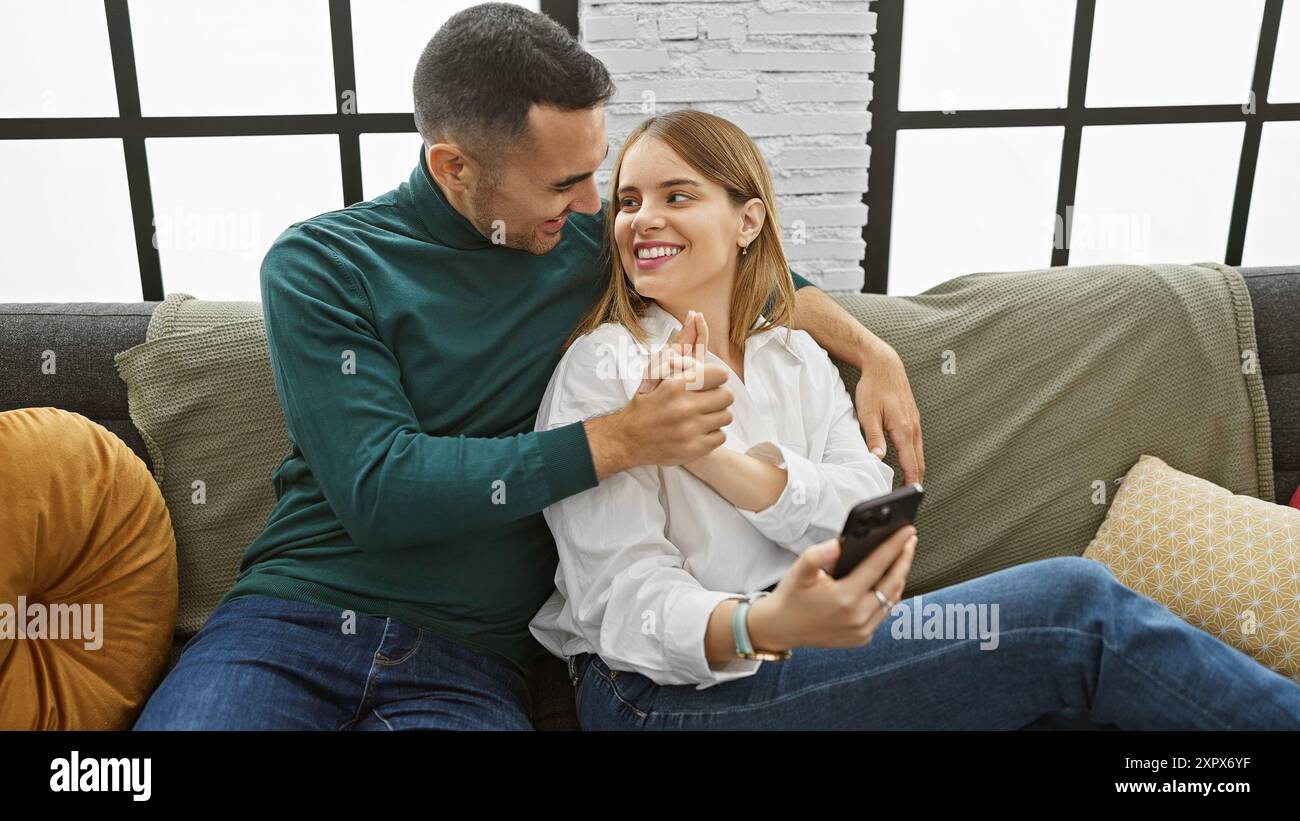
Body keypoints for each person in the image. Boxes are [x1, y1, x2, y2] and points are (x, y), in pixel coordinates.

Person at [132, 3, 923, 730]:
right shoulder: (325, 263)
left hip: (469, 661)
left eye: (598, 173)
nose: (597, 210)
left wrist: (872, 348)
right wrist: (623, 438)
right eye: (566, 183)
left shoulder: (583, 243)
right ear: (454, 168)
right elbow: (379, 488)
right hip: (291, 620)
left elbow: (750, 270)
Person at [529, 108, 1300, 730]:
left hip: (813, 640)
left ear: (748, 221)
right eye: (628, 201)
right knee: (1077, 609)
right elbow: (621, 602)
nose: (640, 220)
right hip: (657, 695)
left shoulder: (796, 357)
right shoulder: (604, 370)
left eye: (676, 195)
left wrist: (728, 466)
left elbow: (860, 509)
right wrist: (760, 624)